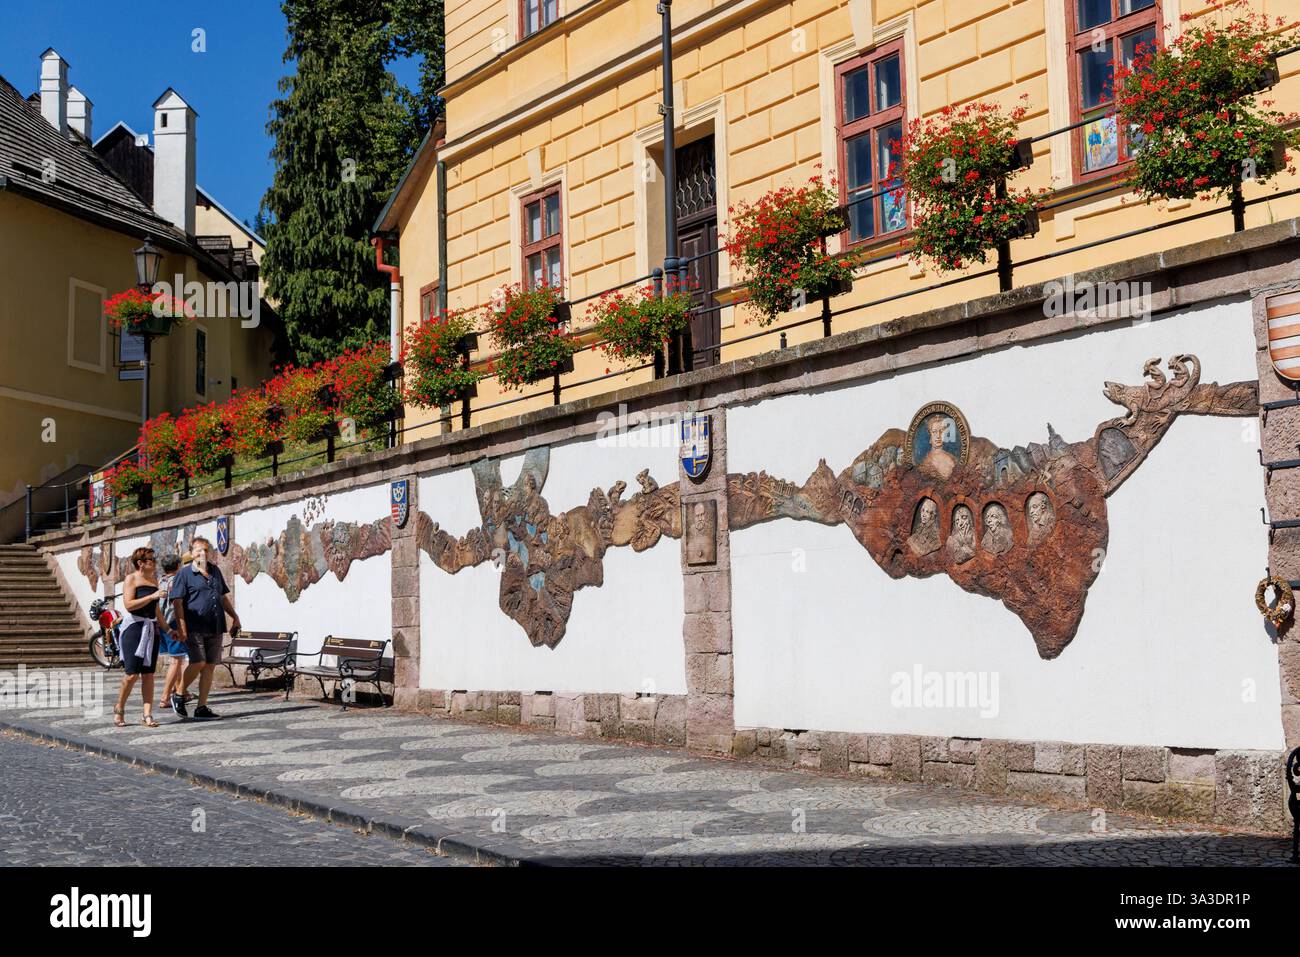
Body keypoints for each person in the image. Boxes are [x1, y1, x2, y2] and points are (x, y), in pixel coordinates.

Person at [170, 537, 240, 720]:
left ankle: (201, 706)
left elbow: (223, 597)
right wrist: (182, 628)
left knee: (209, 666)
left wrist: (235, 617)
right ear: (192, 553)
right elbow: (177, 603)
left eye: (206, 550)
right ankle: (178, 694)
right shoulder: (184, 574)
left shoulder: (215, 571)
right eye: (199, 550)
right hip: (194, 626)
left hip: (215, 625)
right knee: (198, 662)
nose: (203, 553)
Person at [112, 547, 173, 728]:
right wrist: (153, 595)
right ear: (140, 563)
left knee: (148, 675)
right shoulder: (131, 579)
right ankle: (119, 707)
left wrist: (168, 630)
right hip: (134, 628)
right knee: (131, 674)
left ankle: (147, 714)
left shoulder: (154, 580)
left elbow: (156, 610)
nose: (155, 562)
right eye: (151, 559)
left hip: (151, 628)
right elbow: (129, 604)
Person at [155, 555, 189, 718]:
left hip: (161, 624)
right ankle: (165, 697)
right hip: (173, 624)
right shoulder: (176, 581)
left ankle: (182, 690)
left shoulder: (160, 580)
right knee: (176, 661)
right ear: (177, 566)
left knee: (176, 659)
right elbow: (178, 603)